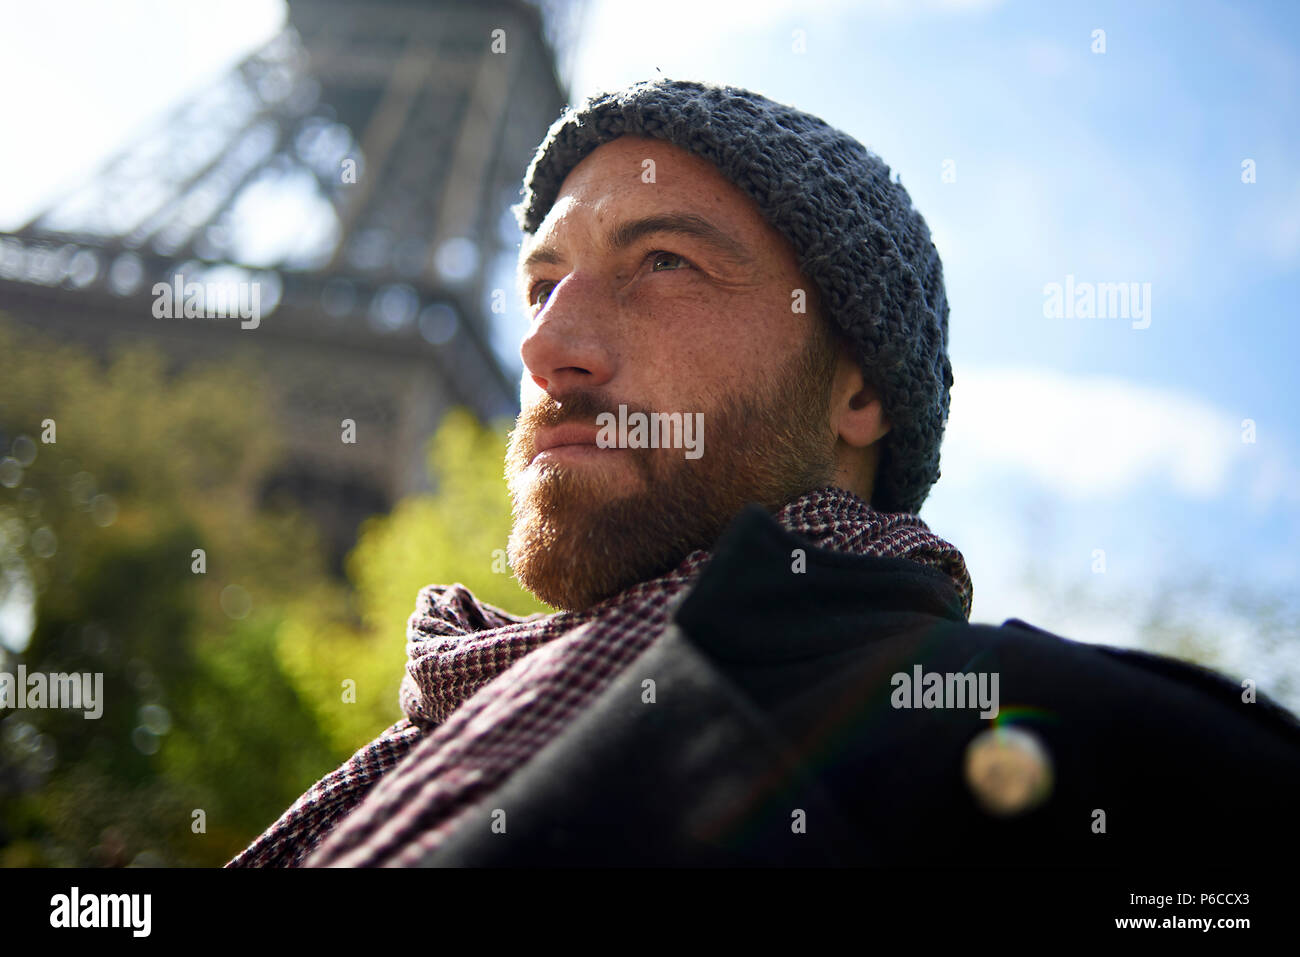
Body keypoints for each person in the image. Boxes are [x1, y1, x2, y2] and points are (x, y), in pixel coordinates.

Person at [227, 77, 1300, 868]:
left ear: (858, 393)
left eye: (663, 264)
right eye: (542, 282)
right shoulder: (424, 742)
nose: (549, 346)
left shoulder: (1098, 752)